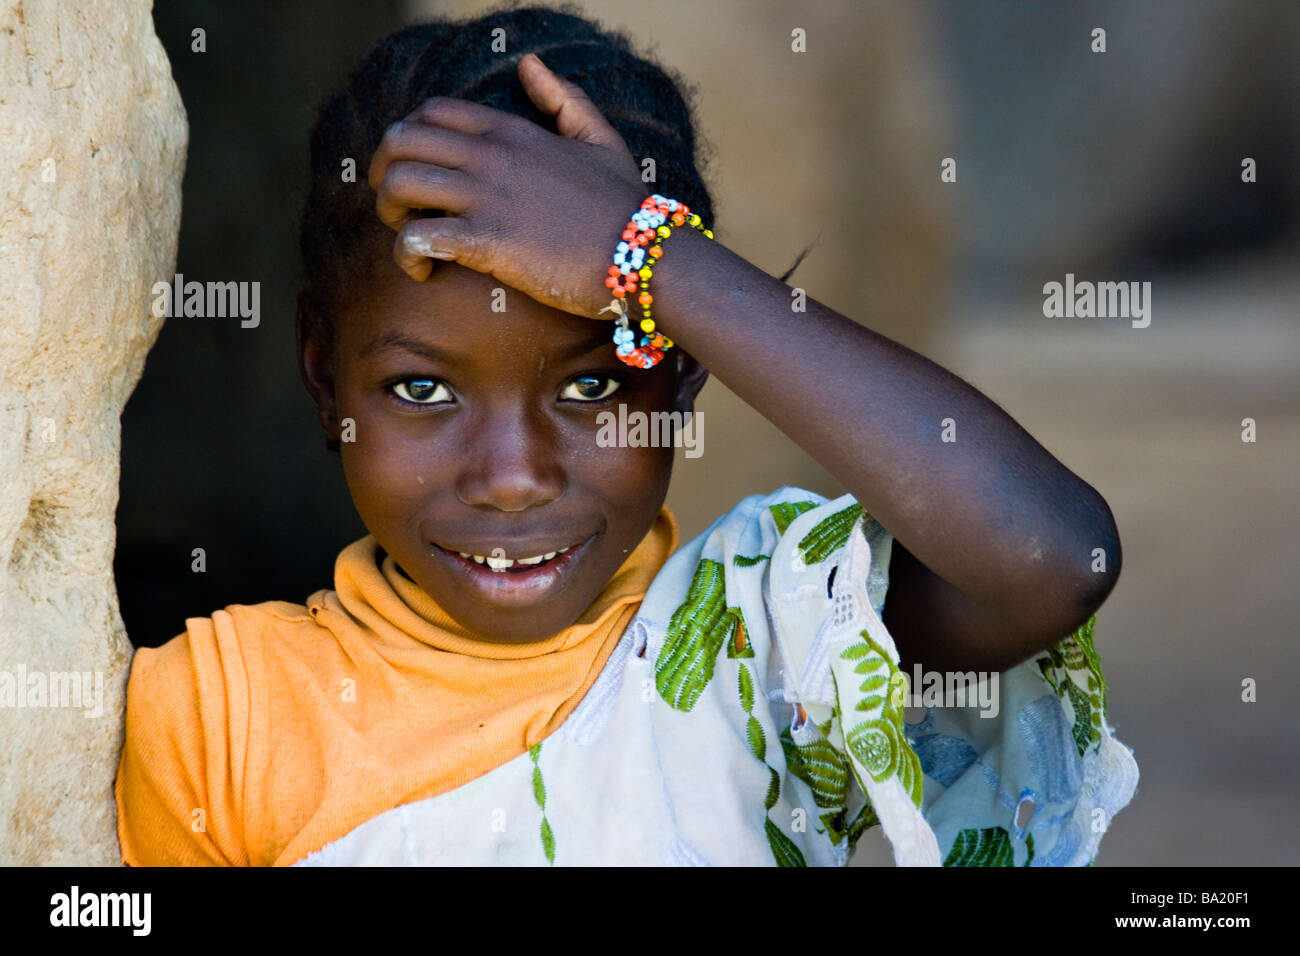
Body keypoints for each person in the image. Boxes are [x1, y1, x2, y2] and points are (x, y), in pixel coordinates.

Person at [115, 3, 1138, 866]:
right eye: (423, 389)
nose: (512, 478)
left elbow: (1049, 555)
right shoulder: (221, 714)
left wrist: (649, 261)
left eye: (594, 381)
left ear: (684, 367)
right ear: (319, 368)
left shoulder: (763, 637)